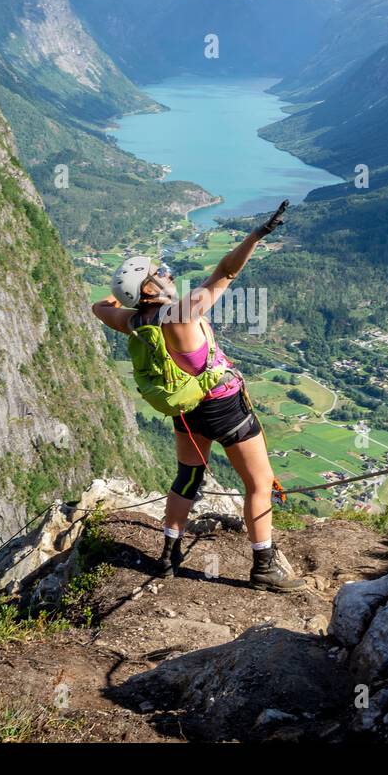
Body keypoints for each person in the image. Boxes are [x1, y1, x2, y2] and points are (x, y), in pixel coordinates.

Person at [91, 201, 304, 592]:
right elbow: (226, 271)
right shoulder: (184, 314)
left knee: (188, 477)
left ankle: (168, 558)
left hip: (188, 411)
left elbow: (100, 306)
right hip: (225, 405)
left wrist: (127, 299)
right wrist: (256, 235)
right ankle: (264, 566)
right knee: (258, 483)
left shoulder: (135, 323)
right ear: (152, 287)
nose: (167, 274)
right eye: (160, 273)